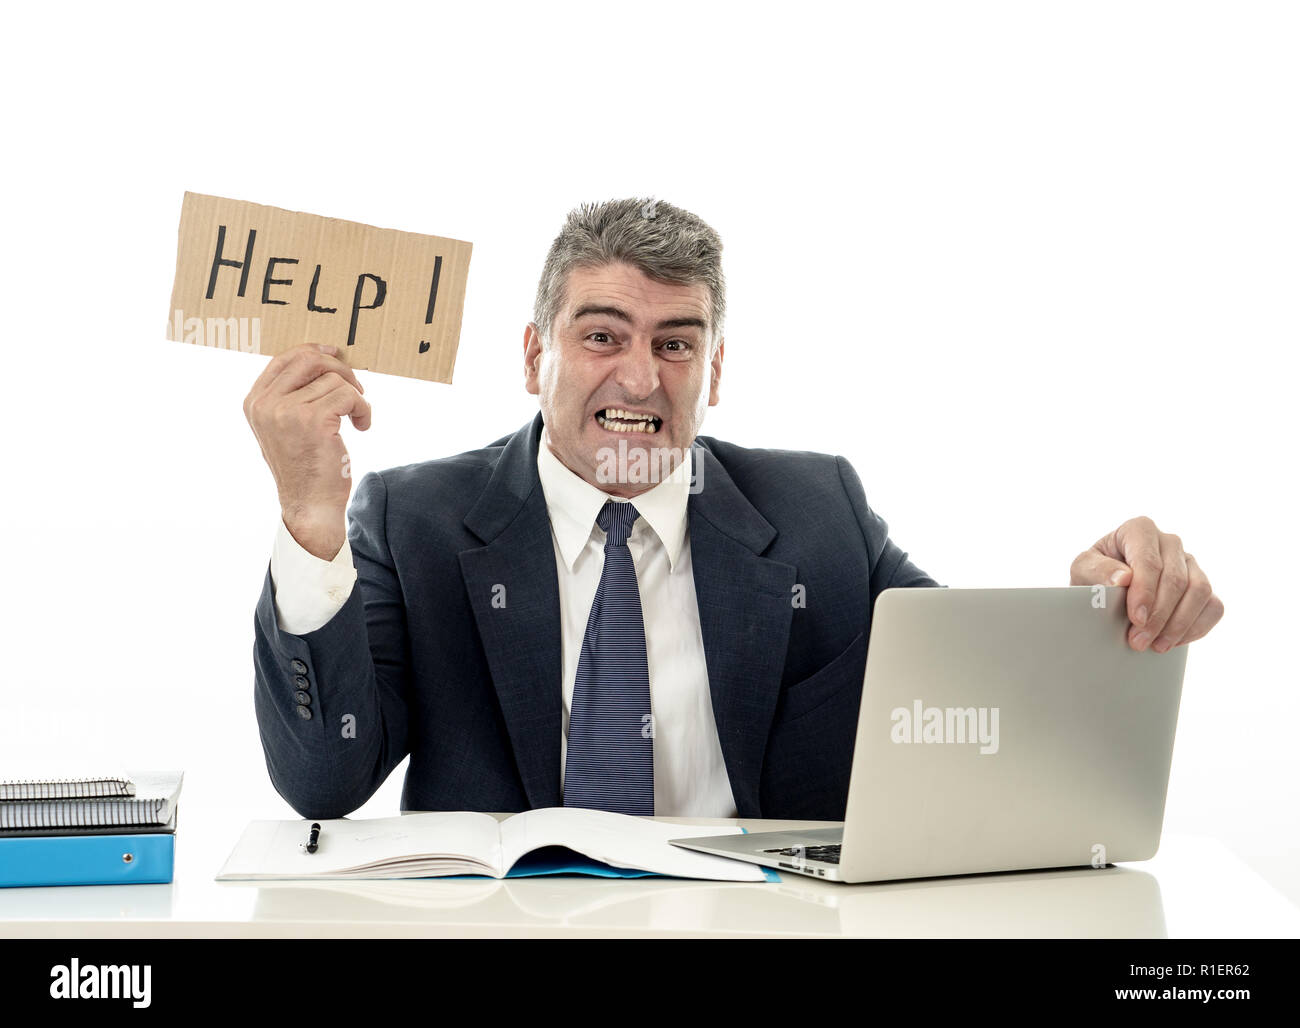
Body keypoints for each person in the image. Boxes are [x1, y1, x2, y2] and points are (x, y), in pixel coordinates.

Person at [243, 198, 1223, 821]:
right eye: (601, 334)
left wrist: (1099, 607)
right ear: (534, 354)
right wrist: (309, 521)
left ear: (714, 368)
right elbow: (322, 782)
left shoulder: (818, 509)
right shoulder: (414, 517)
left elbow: (980, 700)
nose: (639, 373)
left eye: (676, 342)